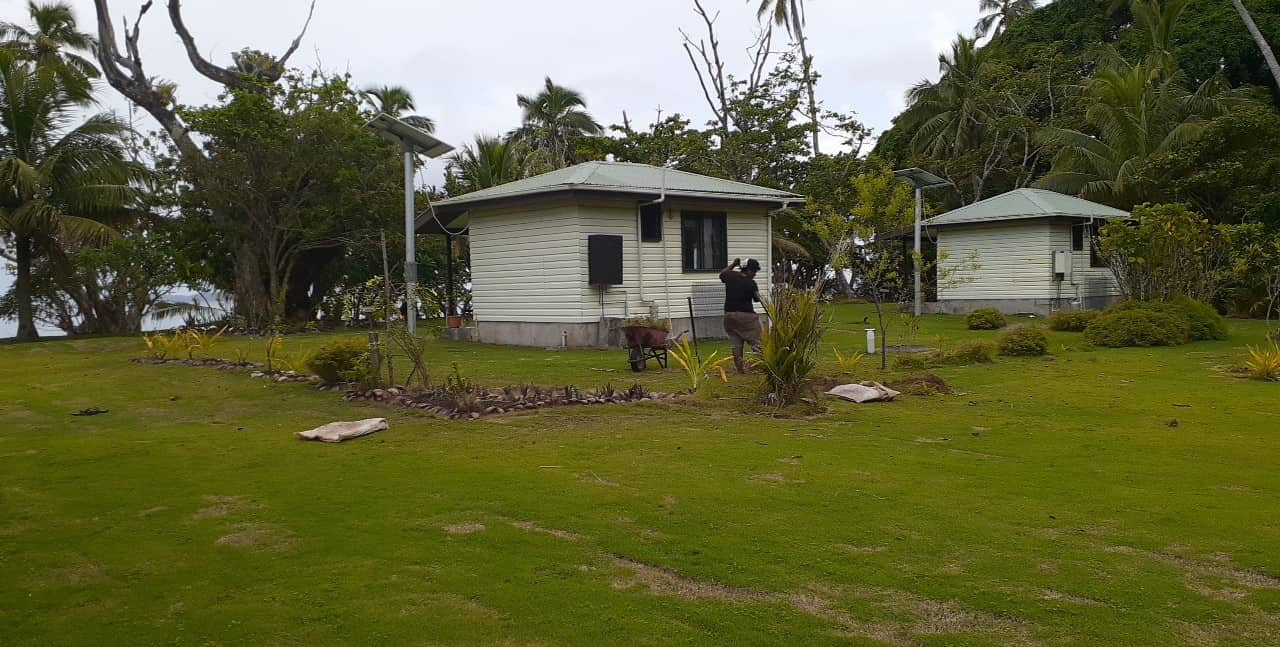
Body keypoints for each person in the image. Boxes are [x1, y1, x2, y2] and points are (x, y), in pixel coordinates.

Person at [720, 257, 763, 373]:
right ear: (748, 270)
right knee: (757, 341)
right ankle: (760, 365)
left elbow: (722, 274)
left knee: (736, 342)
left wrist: (733, 264)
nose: (755, 274)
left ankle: (740, 369)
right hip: (746, 317)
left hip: (729, 316)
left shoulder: (731, 276)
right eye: (754, 271)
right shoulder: (751, 283)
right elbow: (757, 299)